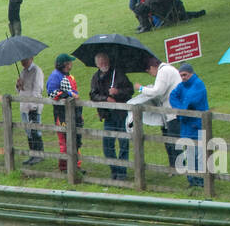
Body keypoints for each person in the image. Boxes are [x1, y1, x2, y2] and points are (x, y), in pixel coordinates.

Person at [89, 52, 134, 180]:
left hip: (121, 114)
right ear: (97, 65)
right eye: (100, 63)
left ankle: (122, 173)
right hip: (107, 115)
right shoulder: (95, 78)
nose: (103, 64)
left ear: (108, 62)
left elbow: (130, 90)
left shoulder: (118, 74)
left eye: (105, 62)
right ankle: (115, 170)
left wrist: (117, 92)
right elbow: (93, 95)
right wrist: (106, 98)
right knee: (107, 145)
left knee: (123, 144)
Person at [168, 63, 209, 186]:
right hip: (186, 125)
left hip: (197, 125)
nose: (183, 77)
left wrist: (181, 112)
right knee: (189, 153)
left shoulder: (198, 85)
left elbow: (190, 101)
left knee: (198, 154)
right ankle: (192, 180)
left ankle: (201, 180)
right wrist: (181, 110)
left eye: (185, 74)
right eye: (181, 75)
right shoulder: (182, 86)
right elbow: (172, 96)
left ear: (191, 73)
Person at [138, 56, 182, 167]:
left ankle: (178, 166)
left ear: (152, 67)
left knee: (173, 141)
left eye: (149, 72)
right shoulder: (169, 69)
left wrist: (141, 88)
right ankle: (176, 166)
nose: (151, 75)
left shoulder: (163, 71)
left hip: (173, 111)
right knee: (173, 140)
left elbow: (157, 91)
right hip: (173, 110)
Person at [46, 53, 81, 173]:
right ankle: (65, 167)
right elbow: (52, 93)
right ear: (66, 64)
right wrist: (70, 95)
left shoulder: (70, 77)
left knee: (75, 139)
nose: (72, 64)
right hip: (61, 114)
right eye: (70, 62)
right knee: (64, 140)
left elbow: (75, 91)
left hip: (73, 112)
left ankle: (76, 166)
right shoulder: (55, 76)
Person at [16, 56, 45, 166]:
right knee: (28, 131)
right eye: (22, 60)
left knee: (35, 130)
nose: (23, 62)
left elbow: (38, 88)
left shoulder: (36, 71)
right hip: (23, 105)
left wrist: (33, 106)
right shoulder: (23, 72)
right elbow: (21, 90)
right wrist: (18, 85)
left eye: (25, 59)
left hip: (33, 106)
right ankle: (33, 154)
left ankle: (39, 155)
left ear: (31, 59)